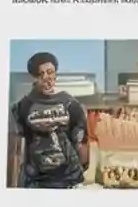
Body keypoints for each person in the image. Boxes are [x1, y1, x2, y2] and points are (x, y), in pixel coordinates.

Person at [8, 52, 89, 189]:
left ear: (56, 74)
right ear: (34, 77)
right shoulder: (22, 107)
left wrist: (81, 170)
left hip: (69, 179)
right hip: (36, 182)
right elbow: (15, 150)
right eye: (41, 74)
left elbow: (82, 141)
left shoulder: (70, 103)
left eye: (50, 72)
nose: (46, 78)